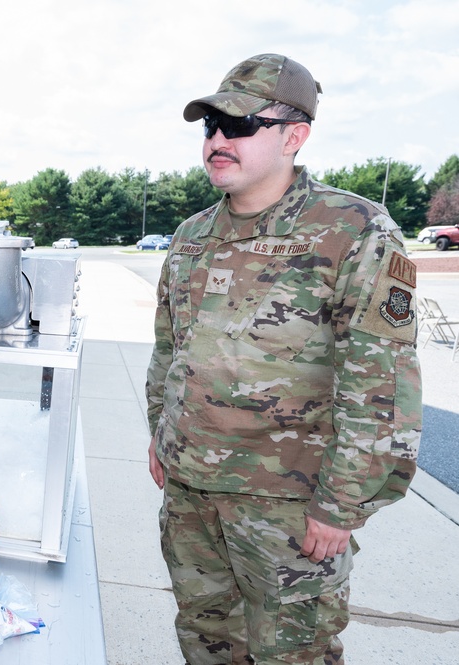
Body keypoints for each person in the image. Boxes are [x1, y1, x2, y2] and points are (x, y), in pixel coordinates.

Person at [145, 54, 422, 665]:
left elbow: (380, 382)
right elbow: (171, 350)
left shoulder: (352, 230)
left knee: (292, 654)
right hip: (192, 494)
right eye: (211, 126)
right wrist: (161, 438)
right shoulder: (192, 236)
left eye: (239, 125)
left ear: (294, 136)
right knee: (206, 639)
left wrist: (343, 503)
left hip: (288, 505)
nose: (218, 140)